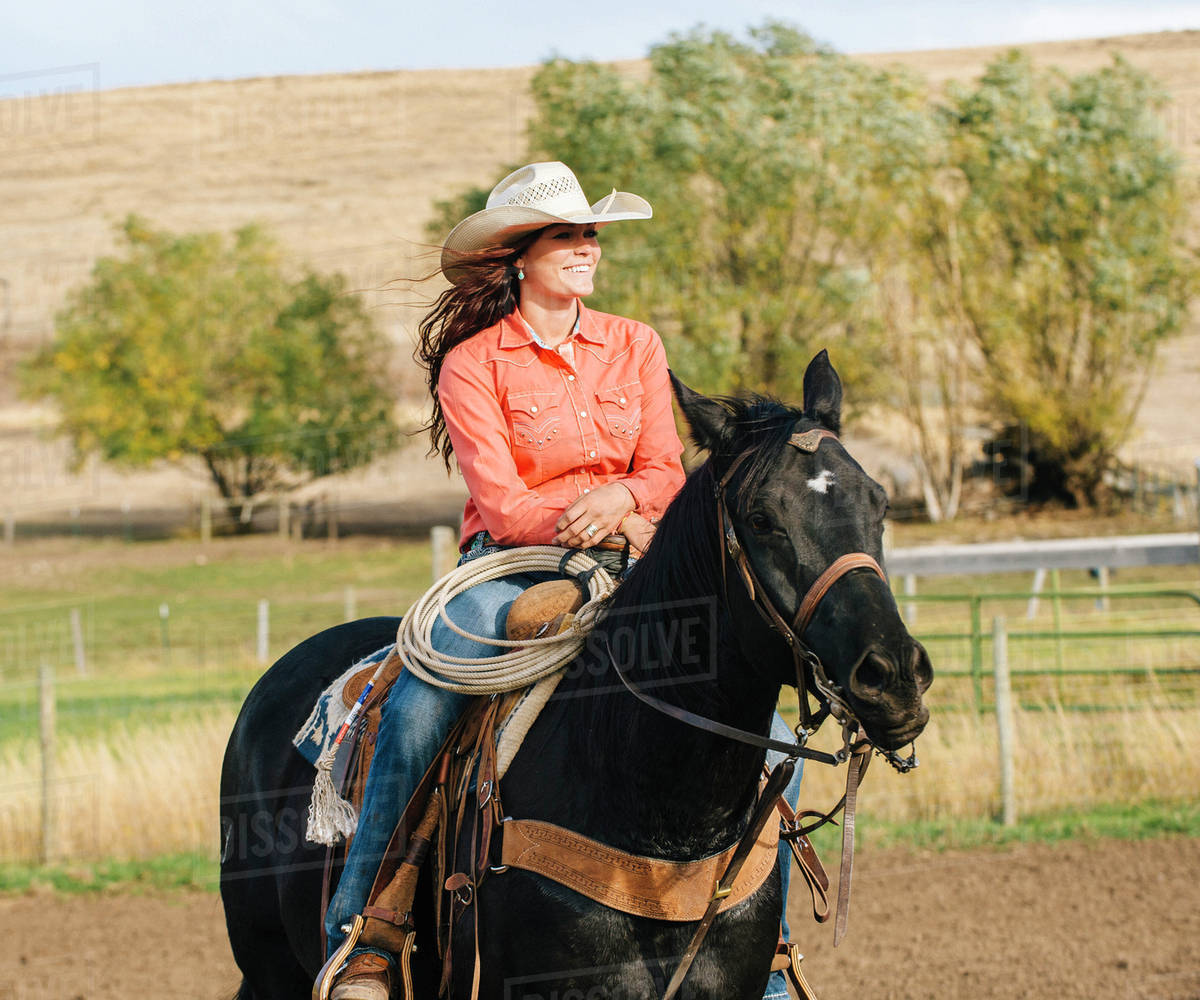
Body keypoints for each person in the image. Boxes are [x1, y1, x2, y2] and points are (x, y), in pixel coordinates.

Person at [323, 162, 800, 1000]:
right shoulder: (472, 364)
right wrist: (614, 510)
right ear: (519, 256)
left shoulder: (635, 344)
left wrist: (623, 500)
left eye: (592, 235)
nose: (588, 249)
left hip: (632, 561)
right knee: (421, 704)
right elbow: (505, 505)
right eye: (568, 236)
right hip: (511, 569)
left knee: (767, 733)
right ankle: (370, 929)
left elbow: (664, 469)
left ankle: (767, 956)